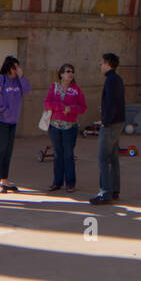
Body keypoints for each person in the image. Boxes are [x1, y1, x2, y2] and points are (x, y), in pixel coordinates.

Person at [0, 55, 30, 194]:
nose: (15, 71)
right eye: (14, 68)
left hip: (13, 121)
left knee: (8, 151)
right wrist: (4, 108)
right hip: (1, 121)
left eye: (17, 68)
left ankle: (5, 180)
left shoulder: (18, 81)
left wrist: (22, 77)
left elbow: (27, 90)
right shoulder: (1, 79)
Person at [43, 64, 86, 193]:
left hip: (70, 127)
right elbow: (47, 104)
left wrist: (72, 109)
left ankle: (70, 183)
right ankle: (57, 182)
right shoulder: (54, 87)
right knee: (58, 155)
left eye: (72, 71)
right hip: (55, 126)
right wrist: (61, 107)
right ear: (61, 74)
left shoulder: (76, 89)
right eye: (67, 71)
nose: (70, 74)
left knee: (68, 155)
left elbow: (83, 107)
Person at [90, 52, 125, 205]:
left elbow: (111, 103)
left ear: (108, 64)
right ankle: (114, 189)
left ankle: (105, 192)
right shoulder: (117, 79)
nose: (101, 65)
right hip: (118, 122)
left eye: (102, 63)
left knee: (103, 158)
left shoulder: (110, 81)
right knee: (113, 157)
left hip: (110, 124)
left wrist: (105, 121)